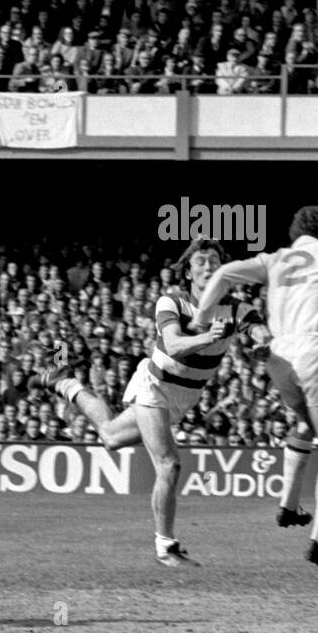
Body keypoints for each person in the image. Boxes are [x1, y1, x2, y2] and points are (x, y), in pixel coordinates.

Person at [30, 237, 265, 567]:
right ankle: (166, 548)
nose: (209, 265)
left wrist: (262, 344)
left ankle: (65, 383)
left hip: (181, 399)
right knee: (169, 465)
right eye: (201, 261)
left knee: (111, 435)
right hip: (154, 386)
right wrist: (209, 336)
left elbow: (259, 331)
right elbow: (172, 345)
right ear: (186, 272)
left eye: (215, 260)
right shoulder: (172, 302)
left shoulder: (237, 308)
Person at [191, 206, 318, 568]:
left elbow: (223, 274)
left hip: (279, 357)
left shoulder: (274, 258)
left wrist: (201, 318)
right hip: (315, 350)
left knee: (308, 424)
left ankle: (289, 505)